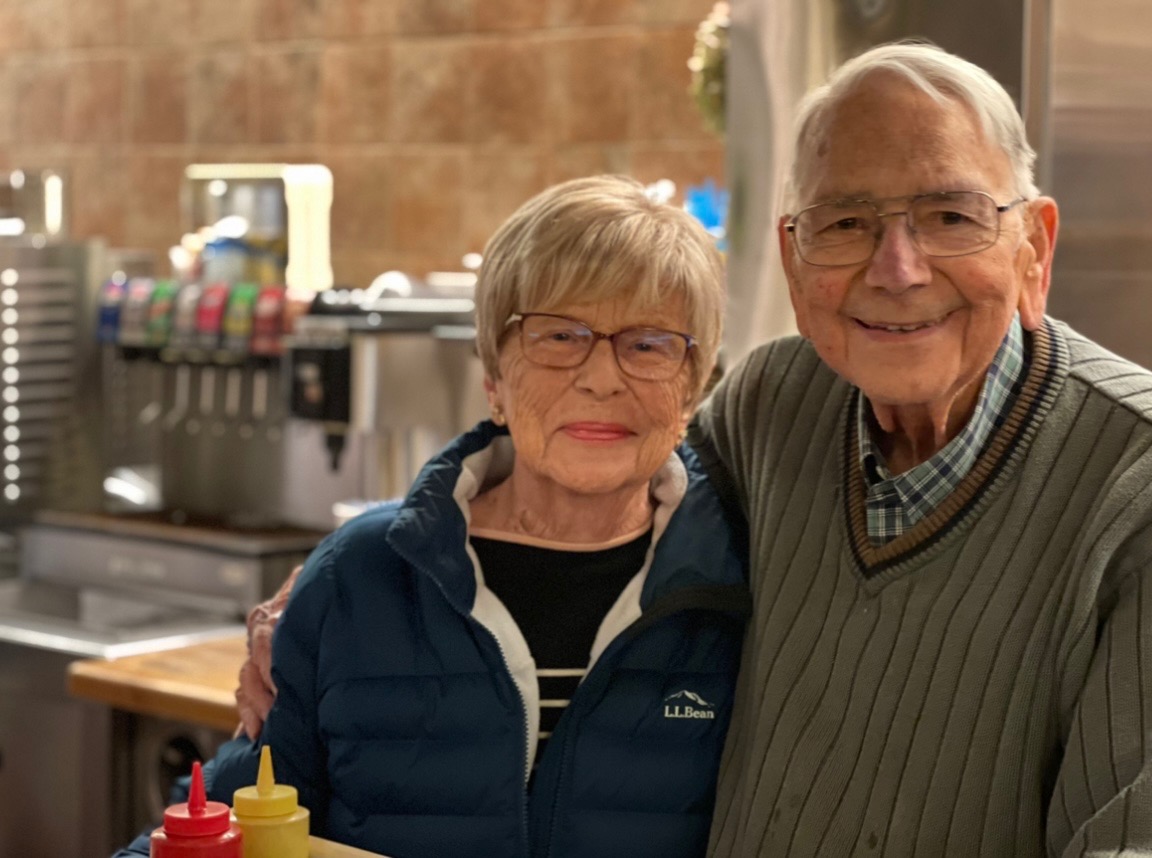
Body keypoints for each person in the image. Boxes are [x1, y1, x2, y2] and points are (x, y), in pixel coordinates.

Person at [239, 43, 1152, 856]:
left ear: (1036, 246)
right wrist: (351, 586)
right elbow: (585, 469)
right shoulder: (776, 408)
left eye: (951, 215)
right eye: (845, 223)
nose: (898, 267)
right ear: (792, 256)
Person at [114, 174, 748, 858]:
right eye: (559, 336)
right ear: (494, 380)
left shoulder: (743, 590)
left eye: (649, 344)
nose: (601, 378)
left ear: (694, 384)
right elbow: (234, 818)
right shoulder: (361, 573)